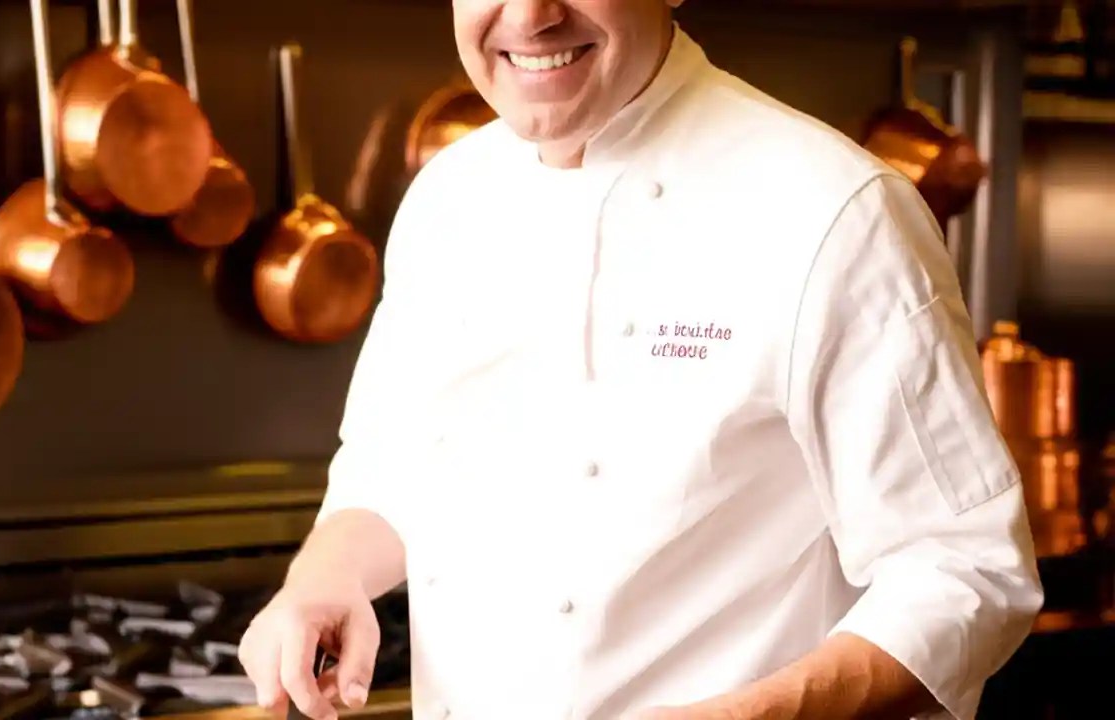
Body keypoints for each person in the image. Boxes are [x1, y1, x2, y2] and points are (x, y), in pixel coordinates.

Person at [239, 1, 1045, 718]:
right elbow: (393, 465)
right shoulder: (447, 196)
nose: (528, 17)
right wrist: (325, 579)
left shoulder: (832, 211)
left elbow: (965, 569)